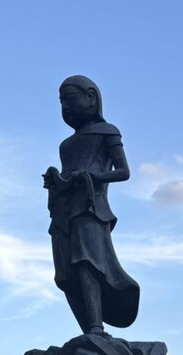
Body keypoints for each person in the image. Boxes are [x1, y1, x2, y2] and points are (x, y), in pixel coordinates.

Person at [43, 73, 140, 334]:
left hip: (90, 208)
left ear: (91, 97)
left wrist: (92, 177)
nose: (65, 107)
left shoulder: (107, 132)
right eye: (61, 102)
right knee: (64, 274)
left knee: (87, 262)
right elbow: (67, 176)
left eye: (70, 99)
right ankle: (87, 331)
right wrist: (56, 179)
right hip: (63, 210)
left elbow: (123, 171)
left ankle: (96, 327)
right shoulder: (66, 145)